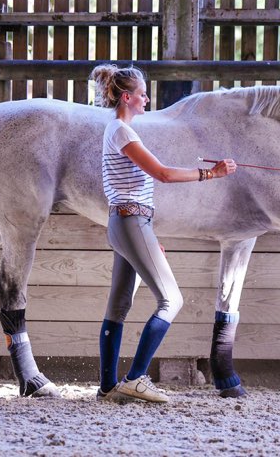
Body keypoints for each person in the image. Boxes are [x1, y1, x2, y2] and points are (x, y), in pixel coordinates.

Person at [92, 64, 237, 403]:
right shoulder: (123, 132)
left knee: (118, 306)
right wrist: (211, 174)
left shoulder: (116, 129)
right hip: (130, 222)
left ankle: (108, 386)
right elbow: (163, 174)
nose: (146, 99)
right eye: (142, 94)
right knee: (171, 301)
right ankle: (136, 378)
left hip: (125, 223)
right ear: (127, 97)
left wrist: (147, 235)